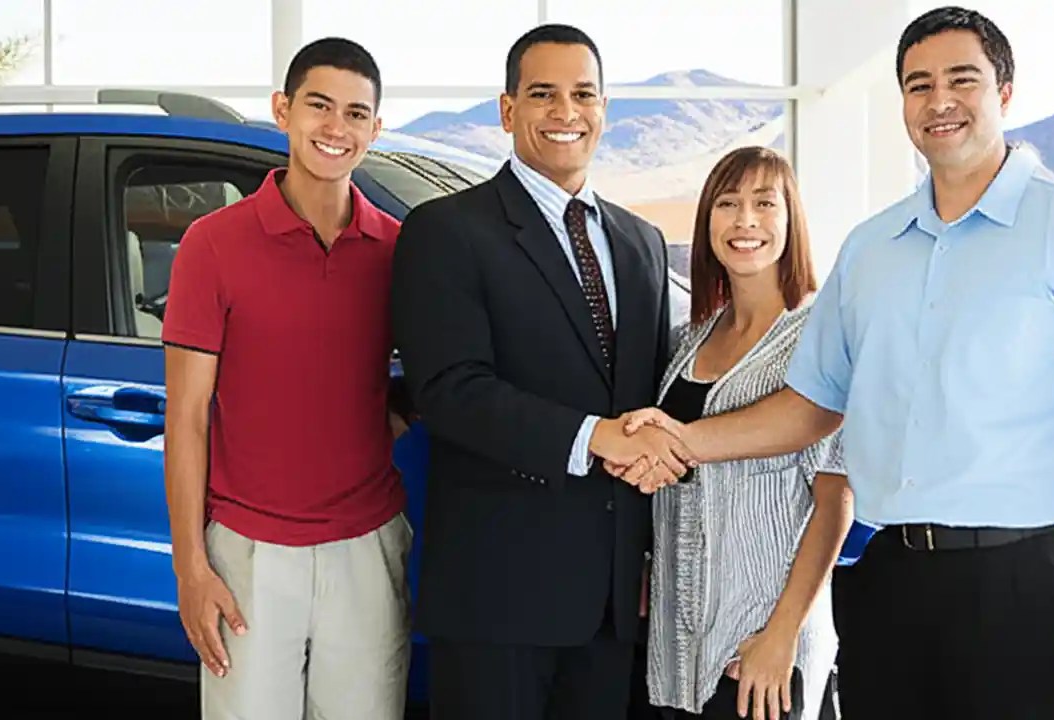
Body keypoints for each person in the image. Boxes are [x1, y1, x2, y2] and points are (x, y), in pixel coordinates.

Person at [614, 7, 1054, 719]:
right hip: (888, 582)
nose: (939, 101)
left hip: (1023, 580)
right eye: (918, 85)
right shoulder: (871, 248)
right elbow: (810, 406)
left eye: (962, 79)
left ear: (1005, 92)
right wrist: (679, 439)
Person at [390, 23, 692, 720]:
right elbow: (450, 391)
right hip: (499, 598)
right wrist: (596, 437)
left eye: (583, 94)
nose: (566, 112)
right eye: (543, 94)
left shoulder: (640, 241)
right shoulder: (447, 230)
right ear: (507, 110)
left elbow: (645, 398)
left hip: (612, 605)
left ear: (605, 110)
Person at [162, 38, 413, 720]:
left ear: (375, 129)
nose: (337, 128)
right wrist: (192, 569)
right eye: (319, 106)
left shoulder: (398, 249)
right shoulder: (212, 244)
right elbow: (185, 415)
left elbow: (444, 370)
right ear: (283, 110)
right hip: (247, 553)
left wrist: (383, 416)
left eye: (357, 113)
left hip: (366, 546)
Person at [635, 146, 852, 720]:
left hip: (758, 649)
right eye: (728, 204)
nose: (745, 221)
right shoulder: (690, 340)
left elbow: (835, 502)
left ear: (791, 219)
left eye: (764, 203)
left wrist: (782, 636)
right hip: (678, 650)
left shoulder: (817, 339)